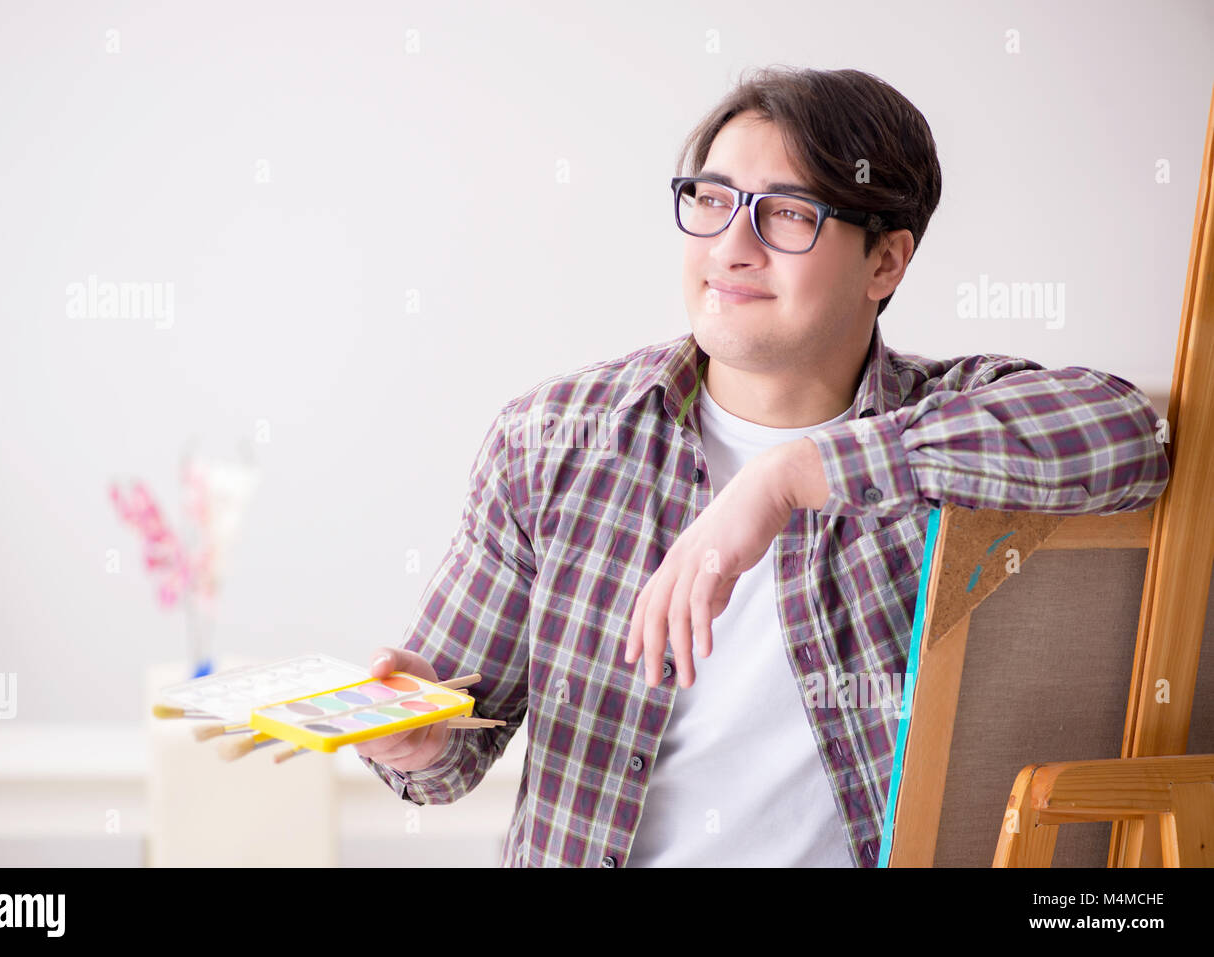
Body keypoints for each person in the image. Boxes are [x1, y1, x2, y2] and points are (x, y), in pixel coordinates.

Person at [354, 66, 1171, 867]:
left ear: (884, 262)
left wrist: (792, 475)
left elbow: (1132, 436)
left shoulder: (948, 424)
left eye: (787, 213)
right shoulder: (551, 439)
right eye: (712, 201)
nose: (731, 247)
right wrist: (419, 734)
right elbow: (451, 751)